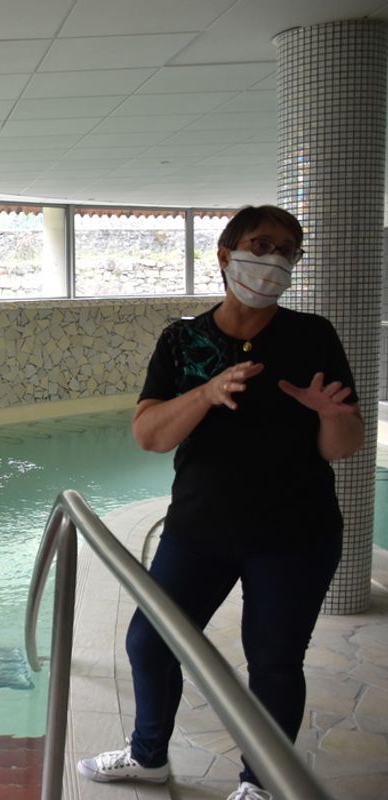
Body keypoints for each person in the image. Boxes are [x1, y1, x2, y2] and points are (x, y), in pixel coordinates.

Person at [76, 205, 363, 800]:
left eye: (289, 250)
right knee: (150, 642)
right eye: (263, 244)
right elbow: (151, 436)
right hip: (200, 529)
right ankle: (148, 756)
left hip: (297, 533)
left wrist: (334, 417)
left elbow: (343, 447)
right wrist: (206, 392)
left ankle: (261, 783)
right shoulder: (182, 340)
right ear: (226, 254)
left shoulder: (313, 335)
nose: (276, 259)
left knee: (275, 662)